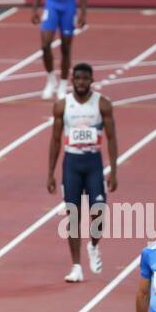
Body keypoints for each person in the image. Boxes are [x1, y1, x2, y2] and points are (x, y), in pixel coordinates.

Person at [47, 63, 117, 283]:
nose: (81, 82)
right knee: (73, 216)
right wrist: (50, 172)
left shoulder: (102, 104)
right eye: (77, 78)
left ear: (91, 80)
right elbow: (56, 139)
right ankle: (76, 265)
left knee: (99, 210)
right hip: (72, 164)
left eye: (85, 79)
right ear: (72, 80)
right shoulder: (62, 106)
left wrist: (114, 170)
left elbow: (112, 138)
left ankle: (93, 245)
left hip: (93, 163)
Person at [32, 0, 87, 101]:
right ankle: (51, 81)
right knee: (45, 45)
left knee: (66, 48)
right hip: (51, 4)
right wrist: (34, 9)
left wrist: (83, 13)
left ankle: (63, 84)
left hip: (69, 5)